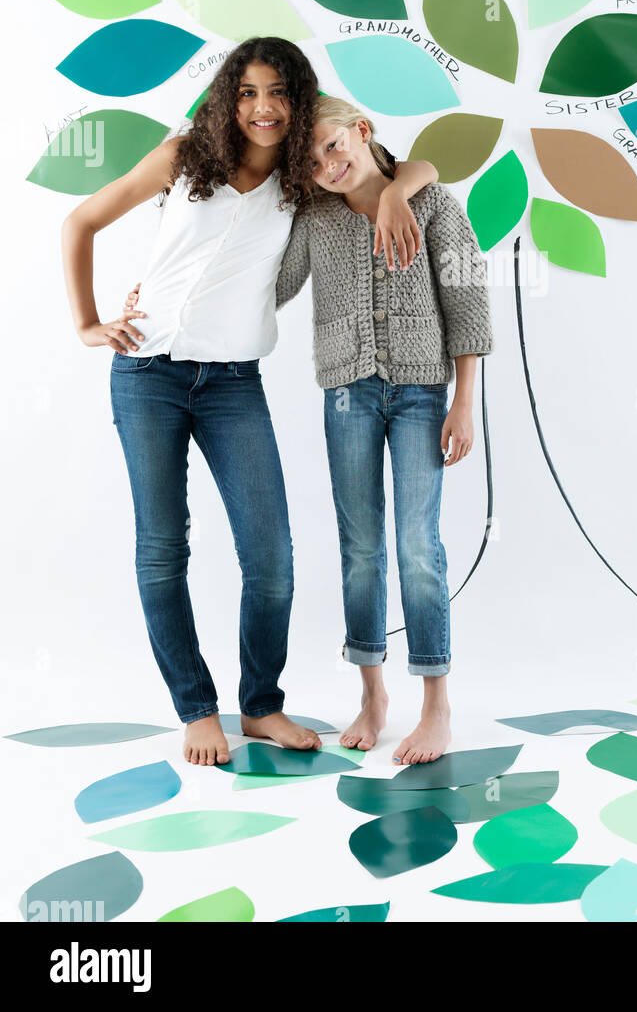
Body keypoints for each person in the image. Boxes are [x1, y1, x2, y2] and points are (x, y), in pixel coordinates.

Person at [61, 37, 437, 765]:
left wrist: (394, 192)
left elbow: (412, 164)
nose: (262, 108)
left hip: (233, 383)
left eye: (278, 94)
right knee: (163, 549)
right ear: (229, 98)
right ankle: (197, 709)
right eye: (247, 92)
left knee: (271, 559)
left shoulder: (303, 182)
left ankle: (260, 705)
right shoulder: (181, 159)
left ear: (297, 104)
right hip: (148, 374)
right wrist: (87, 322)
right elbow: (80, 221)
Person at [275, 95, 494, 764]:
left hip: (422, 393)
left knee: (416, 546)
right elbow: (274, 285)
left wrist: (465, 403)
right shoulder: (313, 216)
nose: (327, 165)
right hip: (347, 391)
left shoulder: (431, 204)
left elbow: (467, 298)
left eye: (334, 147)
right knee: (360, 547)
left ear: (361, 132)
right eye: (310, 162)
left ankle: (436, 704)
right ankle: (372, 694)